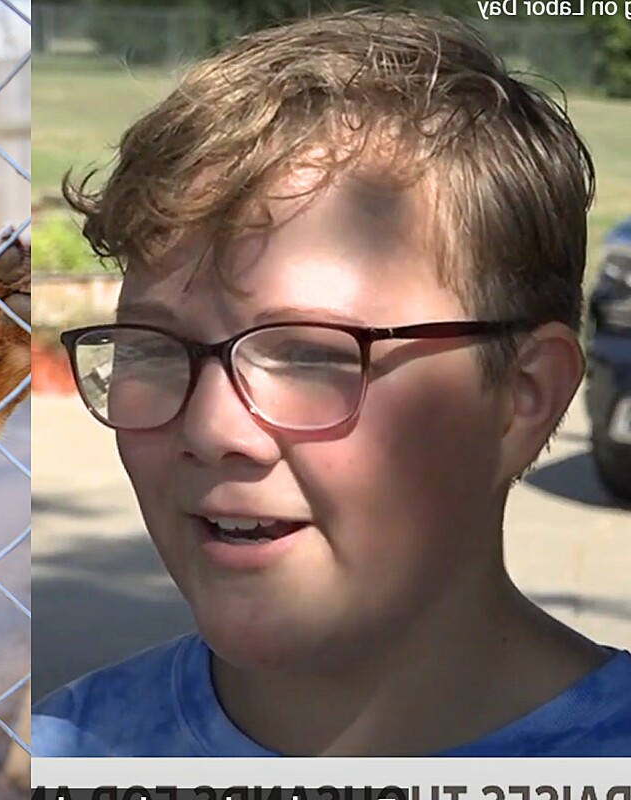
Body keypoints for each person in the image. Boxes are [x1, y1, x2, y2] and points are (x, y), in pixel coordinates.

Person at [31, 9, 631, 757]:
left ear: (522, 397)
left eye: (310, 355)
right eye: (154, 349)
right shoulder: (64, 749)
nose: (212, 428)